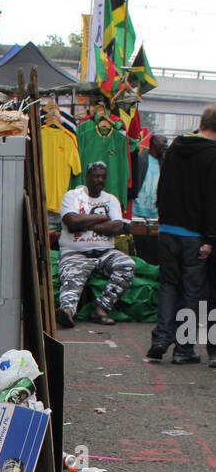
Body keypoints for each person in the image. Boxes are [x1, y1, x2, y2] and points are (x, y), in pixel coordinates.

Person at [147, 110, 216, 365]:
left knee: (167, 286)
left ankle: (160, 339)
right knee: (192, 291)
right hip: (194, 234)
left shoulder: (175, 148)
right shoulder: (212, 155)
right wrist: (210, 237)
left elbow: (162, 186)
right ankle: (184, 348)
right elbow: (211, 199)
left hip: (168, 230)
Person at [56, 161, 135, 329]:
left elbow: (117, 227)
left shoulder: (110, 199)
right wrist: (102, 218)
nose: (99, 180)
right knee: (72, 278)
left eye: (103, 177)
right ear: (87, 177)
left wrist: (84, 223)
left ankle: (100, 309)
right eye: (96, 176)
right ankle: (67, 312)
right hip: (75, 253)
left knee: (127, 265)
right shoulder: (73, 196)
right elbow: (71, 220)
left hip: (105, 252)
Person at [133, 133, 167, 224]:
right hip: (136, 212)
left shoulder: (165, 162)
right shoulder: (139, 158)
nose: (166, 145)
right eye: (163, 142)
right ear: (154, 142)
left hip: (155, 215)